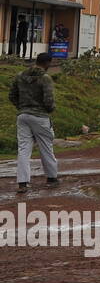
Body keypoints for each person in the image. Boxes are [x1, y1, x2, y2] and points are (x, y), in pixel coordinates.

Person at [9, 51, 58, 192]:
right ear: (47, 63)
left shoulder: (20, 76)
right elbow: (49, 100)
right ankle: (51, 178)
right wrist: (49, 110)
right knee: (46, 147)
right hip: (40, 117)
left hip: (23, 116)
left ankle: (23, 183)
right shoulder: (45, 78)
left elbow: (12, 95)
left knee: (23, 149)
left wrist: (21, 107)